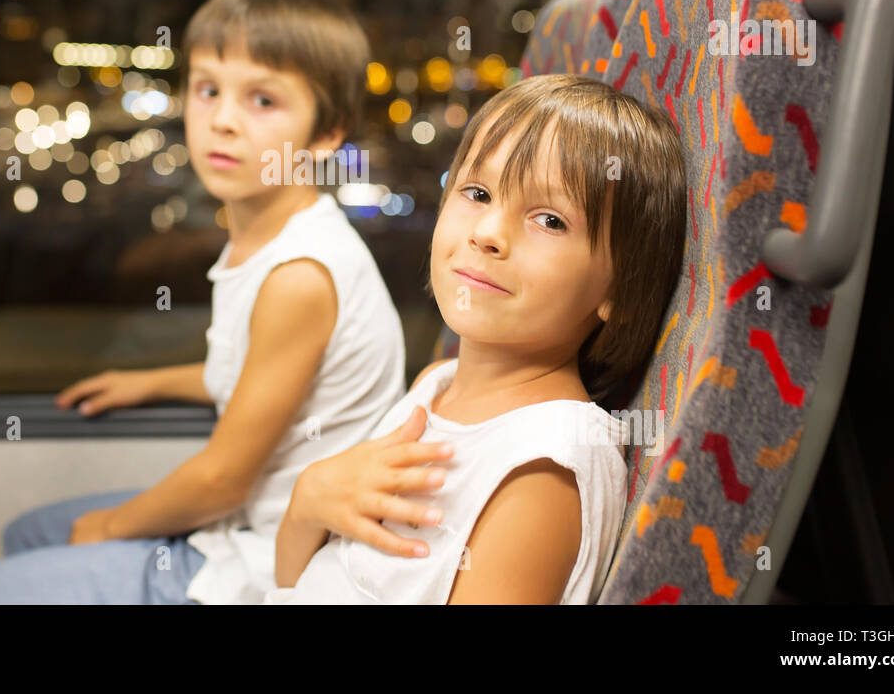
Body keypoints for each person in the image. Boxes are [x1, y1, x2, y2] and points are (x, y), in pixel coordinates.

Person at [0, 0, 405, 604]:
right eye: (208, 89)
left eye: (262, 101)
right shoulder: (269, 241)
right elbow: (260, 373)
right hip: (247, 525)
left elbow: (222, 480)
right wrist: (154, 381)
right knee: (28, 531)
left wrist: (105, 529)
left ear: (327, 135)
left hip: (272, 561)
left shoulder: (301, 274)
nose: (223, 121)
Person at [266, 73, 687, 604]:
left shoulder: (543, 466)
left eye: (550, 220)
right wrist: (310, 498)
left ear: (619, 292)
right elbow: (292, 582)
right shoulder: (435, 386)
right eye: (478, 192)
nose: (488, 232)